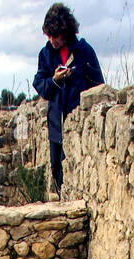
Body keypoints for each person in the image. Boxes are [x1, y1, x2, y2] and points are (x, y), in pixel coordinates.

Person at [33, 5, 104, 196]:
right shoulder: (46, 54)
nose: (51, 40)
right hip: (56, 126)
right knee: (57, 172)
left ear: (65, 32)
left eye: (54, 36)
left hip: (80, 126)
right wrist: (55, 80)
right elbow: (41, 86)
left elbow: (99, 86)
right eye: (48, 36)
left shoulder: (84, 51)